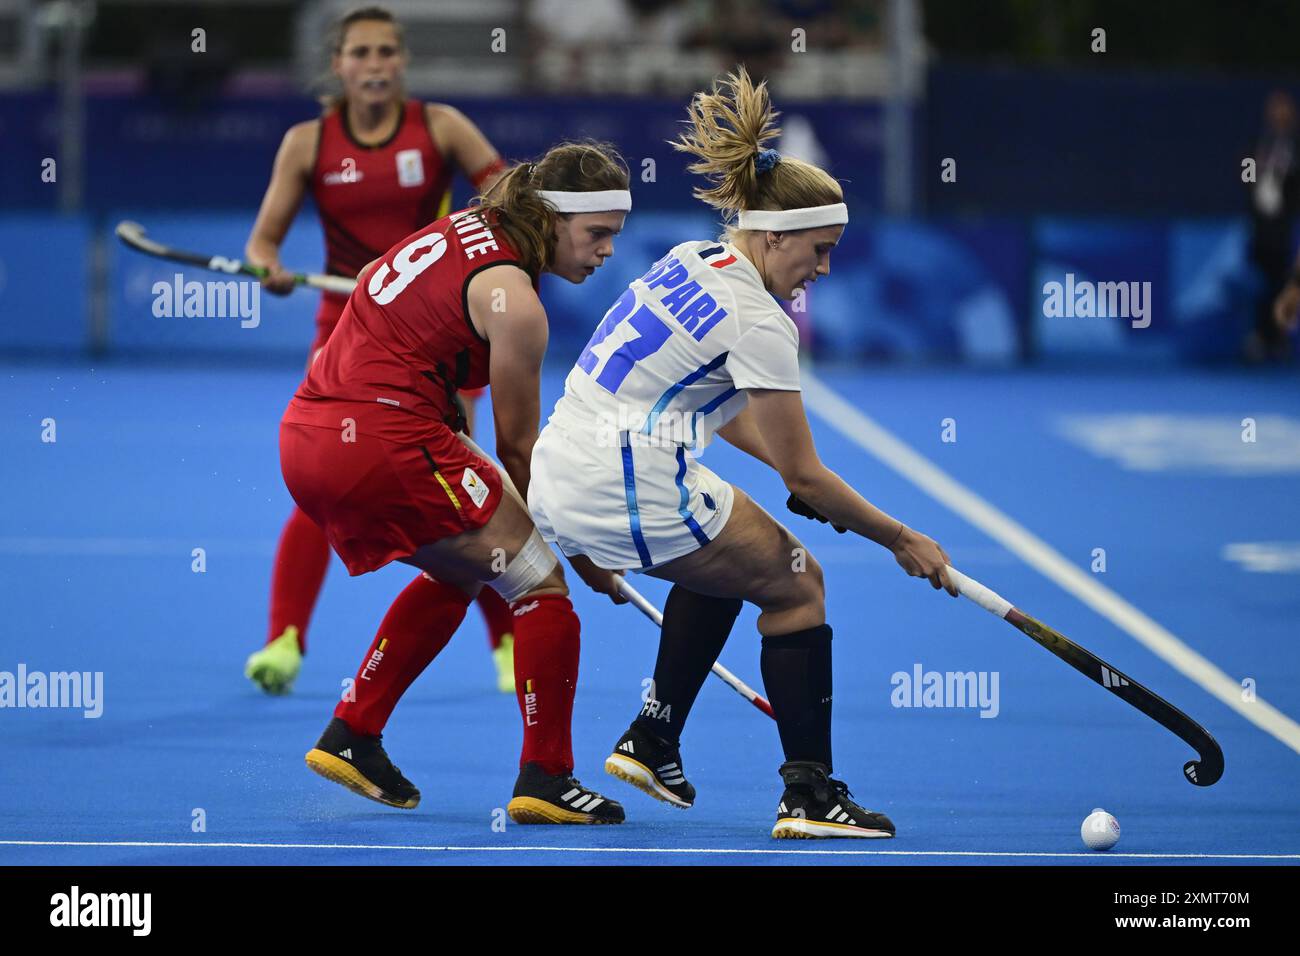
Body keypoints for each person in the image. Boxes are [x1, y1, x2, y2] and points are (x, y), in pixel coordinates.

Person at [526, 68, 958, 839]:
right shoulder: (760, 319)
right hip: (625, 480)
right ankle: (809, 795)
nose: (822, 271)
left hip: (563, 470)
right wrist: (902, 539)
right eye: (818, 251)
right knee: (798, 584)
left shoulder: (696, 258)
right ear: (775, 236)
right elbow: (806, 472)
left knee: (731, 548)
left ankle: (653, 737)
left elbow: (726, 422)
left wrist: (794, 486)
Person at [280, 141, 634, 824]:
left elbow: (401, 340)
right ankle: (547, 777)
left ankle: (354, 731)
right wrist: (585, 555)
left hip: (305, 437)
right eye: (597, 234)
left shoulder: (455, 232)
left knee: (467, 564)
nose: (606, 251)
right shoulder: (520, 307)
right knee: (538, 581)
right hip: (380, 442)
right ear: (552, 219)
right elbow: (520, 450)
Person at [242, 4, 518, 696]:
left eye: (387, 52)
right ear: (338, 65)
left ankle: (509, 640)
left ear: (402, 62)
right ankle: (285, 638)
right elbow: (262, 242)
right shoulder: (307, 143)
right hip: (344, 332)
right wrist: (267, 270)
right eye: (361, 53)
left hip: (441, 333)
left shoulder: (442, 128)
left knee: (466, 488)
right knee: (322, 486)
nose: (376, 65)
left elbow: (511, 207)